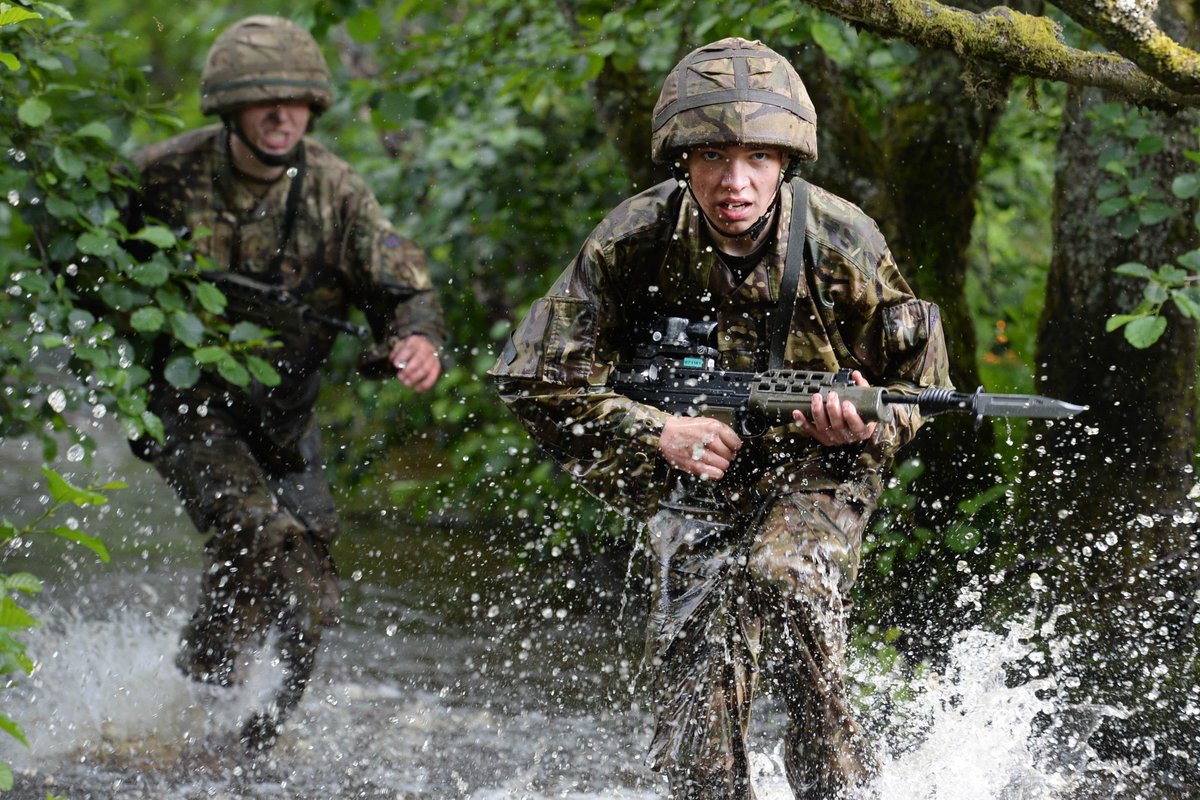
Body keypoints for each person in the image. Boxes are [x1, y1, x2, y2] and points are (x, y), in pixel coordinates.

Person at [490, 38, 949, 799]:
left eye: (757, 160)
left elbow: (920, 386)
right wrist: (657, 431)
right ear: (682, 162)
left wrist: (865, 426)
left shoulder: (843, 242)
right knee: (695, 681)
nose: (734, 183)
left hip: (819, 467)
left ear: (786, 163)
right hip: (690, 468)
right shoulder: (634, 239)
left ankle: (842, 788)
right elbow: (532, 378)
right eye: (710, 158)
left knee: (788, 582)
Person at [123, 15, 445, 750]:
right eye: (263, 100)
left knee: (310, 581)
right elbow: (85, 271)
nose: (280, 115)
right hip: (188, 407)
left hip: (286, 415)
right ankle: (203, 703)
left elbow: (403, 284)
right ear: (228, 109)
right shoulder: (159, 176)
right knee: (257, 529)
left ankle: (252, 736)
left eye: (295, 101)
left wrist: (418, 339)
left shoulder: (337, 189)